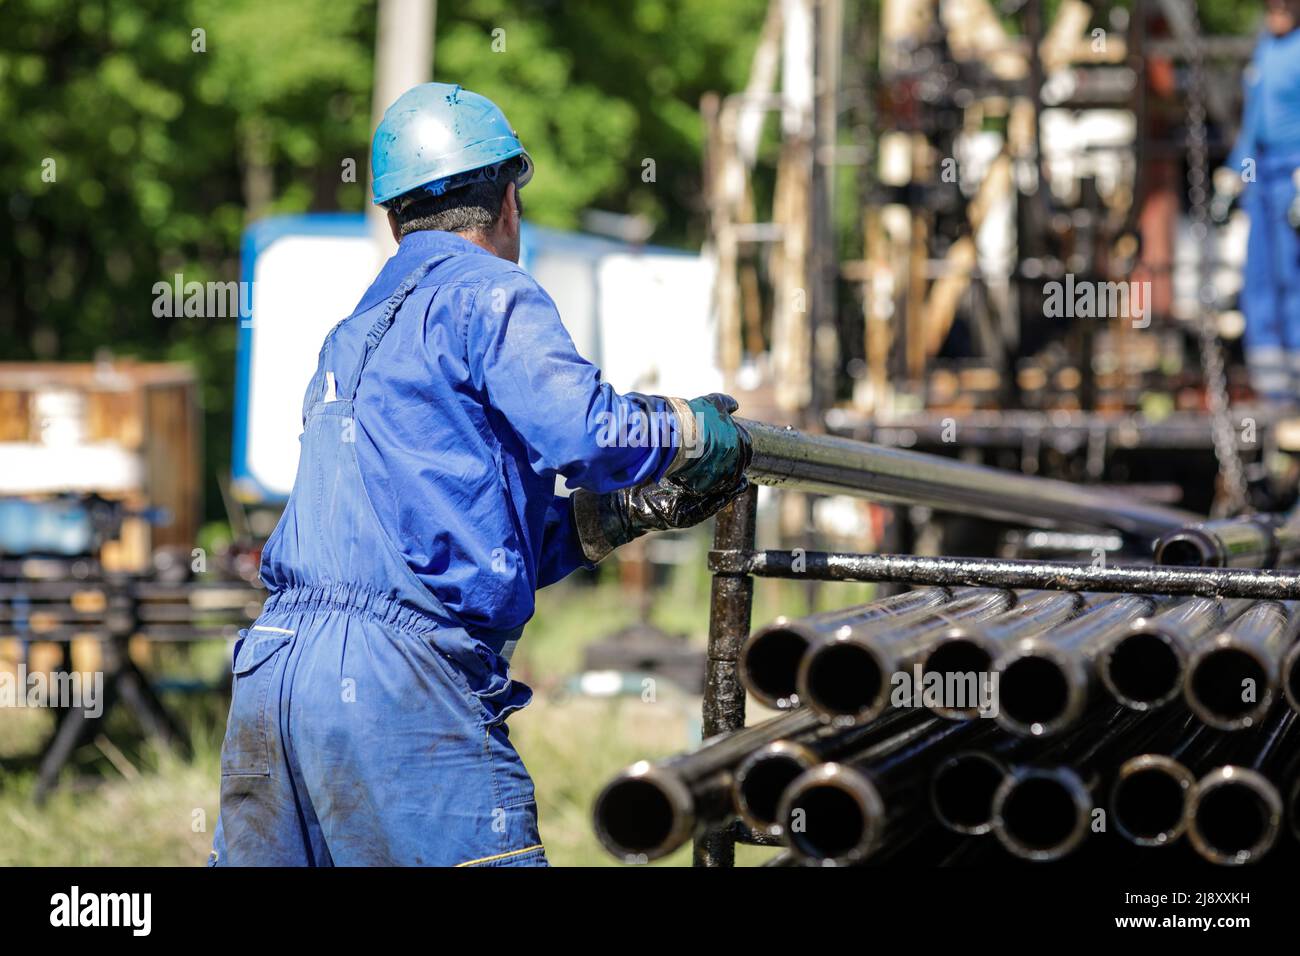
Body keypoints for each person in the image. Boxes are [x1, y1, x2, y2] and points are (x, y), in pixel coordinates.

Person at [209, 83, 751, 866]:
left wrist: (630, 511)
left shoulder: (350, 336)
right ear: (507, 202)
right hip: (398, 687)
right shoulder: (488, 293)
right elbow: (585, 432)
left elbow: (462, 531)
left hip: (275, 669)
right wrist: (689, 429)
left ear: (393, 218)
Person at [1217, 0, 1300, 405]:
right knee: (1259, 276)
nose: (1277, 10)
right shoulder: (1265, 48)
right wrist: (1237, 173)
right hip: (1261, 174)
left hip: (1291, 174)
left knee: (1292, 275)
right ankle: (1272, 386)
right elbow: (1254, 121)